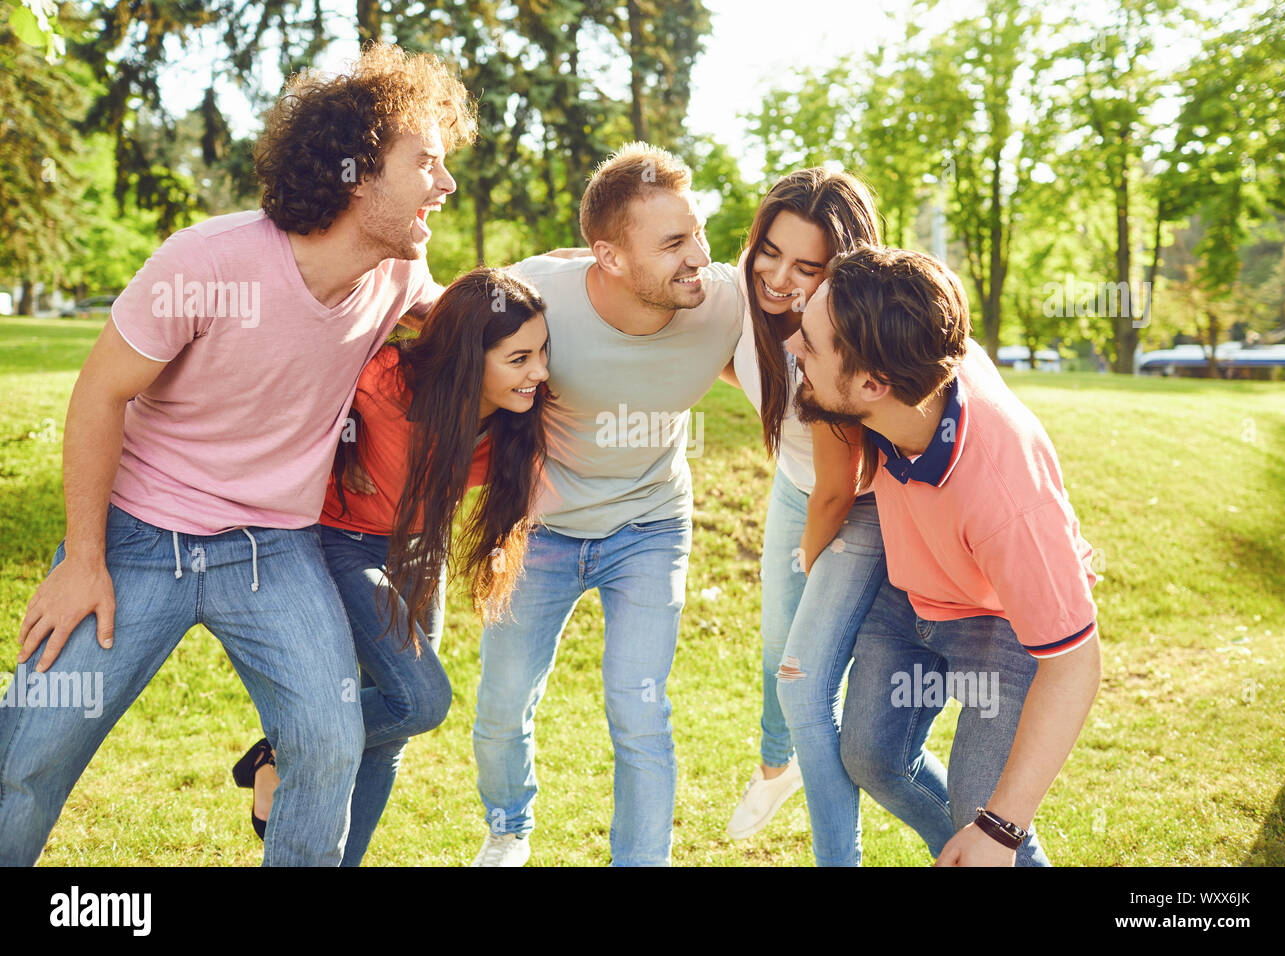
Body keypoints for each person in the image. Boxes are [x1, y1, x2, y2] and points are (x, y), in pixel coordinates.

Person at [1, 42, 473, 866]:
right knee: (26, 759)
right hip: (138, 539)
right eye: (426, 162)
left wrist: (568, 286)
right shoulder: (209, 262)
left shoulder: (398, 273)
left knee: (327, 743)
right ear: (357, 171)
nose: (447, 182)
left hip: (273, 552)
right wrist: (83, 558)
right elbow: (99, 393)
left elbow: (471, 320)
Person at [469, 142, 745, 867]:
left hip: (650, 525)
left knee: (640, 708)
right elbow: (441, 338)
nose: (699, 257)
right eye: (674, 243)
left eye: (699, 233)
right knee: (502, 704)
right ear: (610, 257)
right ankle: (508, 826)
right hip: (542, 529)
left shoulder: (725, 305)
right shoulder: (534, 292)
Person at [788, 244, 1102, 866]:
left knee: (986, 817)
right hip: (910, 600)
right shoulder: (909, 350)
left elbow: (1075, 665)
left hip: (1001, 624)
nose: (794, 347)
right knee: (873, 757)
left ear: (873, 385)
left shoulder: (1007, 495)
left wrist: (1003, 830)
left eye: (811, 344)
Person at [235, 268, 550, 865]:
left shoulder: (516, 415)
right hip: (343, 544)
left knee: (390, 739)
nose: (539, 370)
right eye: (519, 358)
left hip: (418, 551)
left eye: (541, 353)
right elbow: (319, 346)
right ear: (466, 358)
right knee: (419, 701)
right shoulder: (384, 383)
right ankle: (283, 750)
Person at [716, 169, 889, 866]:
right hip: (798, 487)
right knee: (774, 651)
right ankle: (773, 767)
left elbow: (838, 488)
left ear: (837, 270)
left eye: (806, 266)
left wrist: (815, 556)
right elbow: (746, 369)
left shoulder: (839, 333)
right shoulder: (745, 302)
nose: (778, 276)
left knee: (806, 682)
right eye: (770, 251)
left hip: (858, 504)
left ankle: (835, 854)